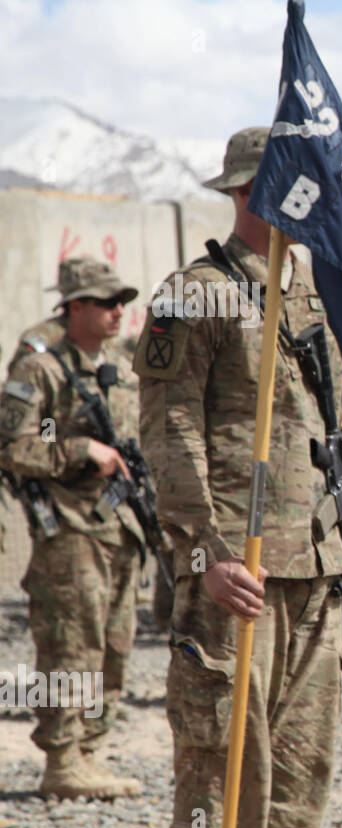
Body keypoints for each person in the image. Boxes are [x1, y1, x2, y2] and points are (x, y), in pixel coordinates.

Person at [133, 127, 342, 828]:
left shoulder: (313, 297)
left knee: (299, 777)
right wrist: (205, 551)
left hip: (314, 569)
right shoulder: (194, 295)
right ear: (247, 193)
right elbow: (167, 430)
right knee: (221, 777)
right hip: (239, 569)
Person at [0, 257, 145, 800]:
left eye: (121, 303)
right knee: (69, 647)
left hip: (117, 525)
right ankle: (62, 760)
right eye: (106, 302)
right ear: (75, 306)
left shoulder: (113, 366)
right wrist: (81, 450)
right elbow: (11, 447)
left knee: (114, 644)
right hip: (68, 530)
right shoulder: (41, 368)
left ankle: (89, 751)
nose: (117, 312)